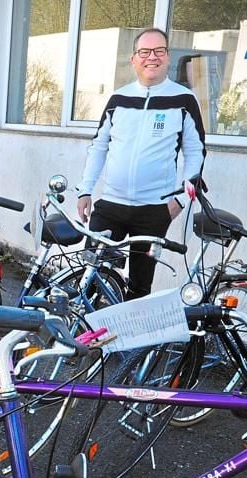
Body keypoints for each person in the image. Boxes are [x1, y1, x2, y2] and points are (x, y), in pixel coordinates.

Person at [75, 27, 206, 300]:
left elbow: (195, 152)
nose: (152, 57)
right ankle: (88, 339)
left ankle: (130, 342)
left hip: (154, 211)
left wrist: (181, 200)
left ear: (168, 57)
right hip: (111, 205)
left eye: (159, 50)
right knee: (91, 278)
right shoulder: (118, 99)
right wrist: (85, 190)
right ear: (134, 59)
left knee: (139, 288)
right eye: (144, 51)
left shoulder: (183, 100)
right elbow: (99, 147)